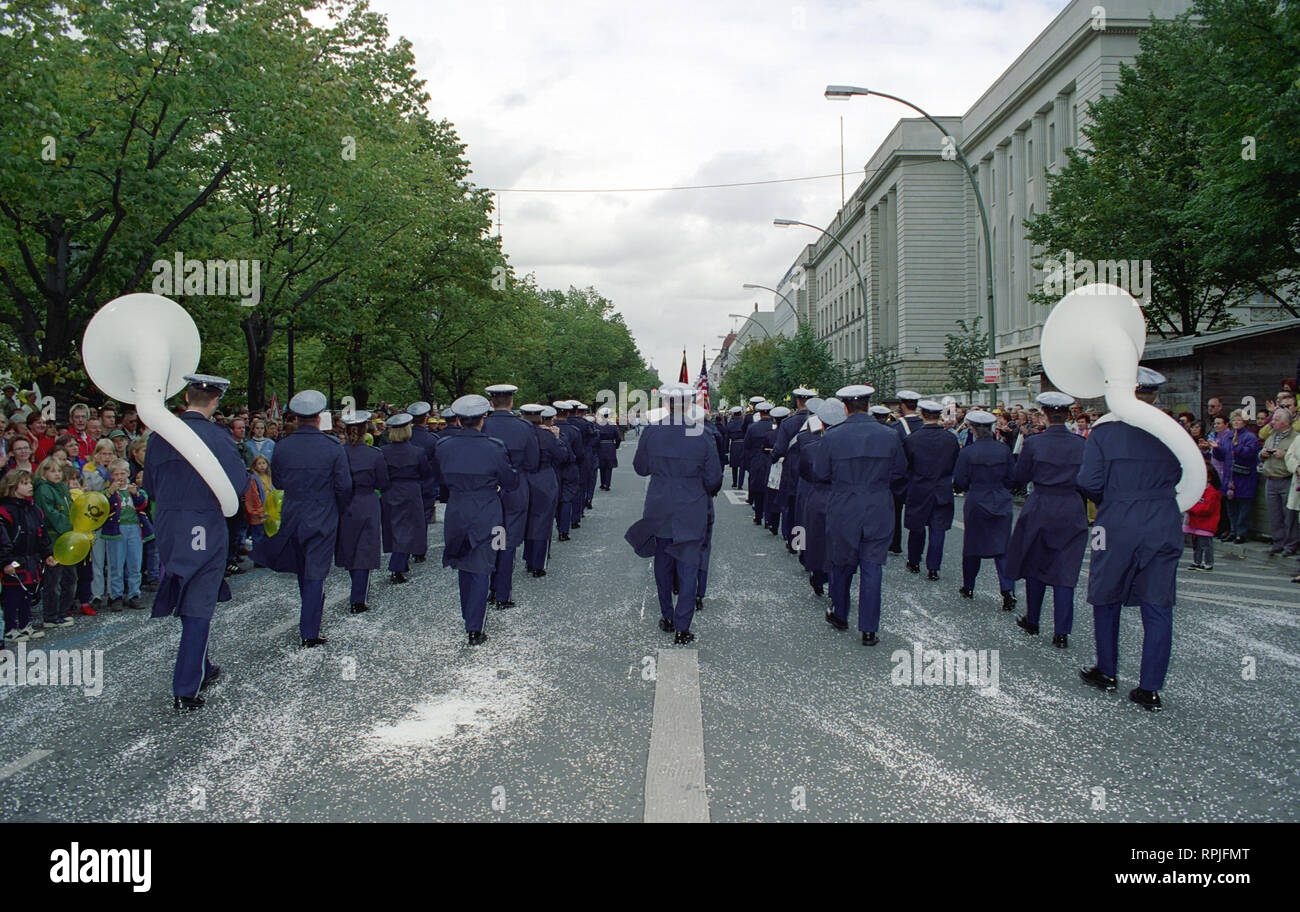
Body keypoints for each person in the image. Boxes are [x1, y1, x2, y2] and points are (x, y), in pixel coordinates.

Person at [1076, 367, 1183, 711]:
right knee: (1158, 603)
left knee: (1104, 592)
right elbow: (1188, 472)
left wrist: (1116, 501)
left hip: (1114, 522)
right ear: (1155, 396)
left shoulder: (1104, 431)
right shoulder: (1173, 430)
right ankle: (1150, 688)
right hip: (1164, 520)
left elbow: (1088, 481)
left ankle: (1107, 670)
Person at [144, 375, 249, 711]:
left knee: (190, 593)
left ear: (186, 397)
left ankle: (202, 665)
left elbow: (150, 485)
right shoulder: (216, 436)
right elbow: (238, 483)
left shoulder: (160, 436)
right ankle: (186, 685)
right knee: (199, 604)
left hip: (168, 523)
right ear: (214, 401)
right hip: (202, 522)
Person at [252, 390, 351, 648]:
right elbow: (344, 486)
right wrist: (338, 508)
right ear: (319, 417)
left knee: (304, 569)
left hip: (294, 512)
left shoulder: (283, 446)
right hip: (323, 513)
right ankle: (309, 628)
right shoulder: (332, 447)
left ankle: (311, 609)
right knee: (316, 571)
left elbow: (279, 481)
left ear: (296, 418)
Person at [625, 384, 722, 644]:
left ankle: (667, 615)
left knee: (663, 562)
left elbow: (640, 468)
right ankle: (682, 625)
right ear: (689, 404)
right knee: (689, 565)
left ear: (667, 403)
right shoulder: (702, 433)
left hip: (660, 504)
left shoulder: (652, 432)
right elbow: (714, 478)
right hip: (691, 505)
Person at [810, 385, 905, 646]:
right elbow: (900, 472)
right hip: (878, 504)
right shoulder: (889, 434)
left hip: (845, 504)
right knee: (873, 567)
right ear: (867, 405)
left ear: (845, 407)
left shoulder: (832, 436)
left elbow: (821, 473)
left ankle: (840, 614)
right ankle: (869, 628)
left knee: (842, 564)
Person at [1004, 392, 1088, 647]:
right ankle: (1061, 632)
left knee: (1034, 563)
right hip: (1072, 505)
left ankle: (1033, 619)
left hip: (1041, 503)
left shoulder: (1034, 442)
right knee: (1065, 570)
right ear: (1068, 415)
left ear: (1045, 414)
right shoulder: (1081, 443)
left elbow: (1021, 475)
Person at [435, 394, 518, 646]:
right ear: (482, 420)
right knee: (484, 564)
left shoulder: (443, 446)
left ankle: (468, 616)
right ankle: (475, 625)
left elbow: (439, 480)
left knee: (463, 563)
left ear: (458, 420)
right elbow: (511, 482)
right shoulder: (495, 447)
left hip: (457, 510)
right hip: (488, 510)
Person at [482, 384, 540, 610]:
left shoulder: (483, 425)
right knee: (508, 541)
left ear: (491, 402)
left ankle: (491, 587)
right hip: (515, 486)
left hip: (489, 487)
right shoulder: (524, 427)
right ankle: (502, 592)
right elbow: (533, 463)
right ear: (512, 402)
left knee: (494, 538)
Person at [954, 410, 1017, 610]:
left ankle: (969, 586)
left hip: (977, 499)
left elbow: (961, 482)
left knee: (972, 546)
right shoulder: (1003, 450)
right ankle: (1008, 591)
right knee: (1003, 548)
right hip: (1000, 498)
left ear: (973, 428)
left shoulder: (967, 452)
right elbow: (1011, 478)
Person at [336, 411, 389, 613]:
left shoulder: (339, 452)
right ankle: (358, 597)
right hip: (366, 501)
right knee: (364, 550)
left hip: (344, 503)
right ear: (365, 429)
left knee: (350, 547)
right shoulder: (374, 454)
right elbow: (383, 482)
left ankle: (357, 589)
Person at [902, 399, 961, 581]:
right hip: (942, 487)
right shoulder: (951, 439)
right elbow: (954, 463)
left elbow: (906, 466)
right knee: (938, 530)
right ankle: (934, 567)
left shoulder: (912, 439)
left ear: (922, 415)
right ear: (939, 416)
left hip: (919, 487)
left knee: (917, 527)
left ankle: (914, 560)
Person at [0, 469, 57, 644]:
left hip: (31, 557)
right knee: (12, 593)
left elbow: (42, 533)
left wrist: (47, 553)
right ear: (12, 486)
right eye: (24, 483)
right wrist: (5, 561)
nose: (30, 486)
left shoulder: (33, 508)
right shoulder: (5, 510)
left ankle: (25, 624)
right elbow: (3, 539)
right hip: (14, 558)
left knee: (29, 592)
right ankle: (10, 628)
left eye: (30, 483)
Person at [796, 398, 844, 597]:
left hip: (818, 495)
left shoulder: (809, 447)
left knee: (815, 539)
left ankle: (817, 576)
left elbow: (805, 473)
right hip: (841, 497)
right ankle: (835, 583)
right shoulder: (848, 447)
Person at [379, 411, 432, 584]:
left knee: (395, 527)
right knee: (408, 528)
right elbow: (425, 473)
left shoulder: (383, 451)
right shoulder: (417, 451)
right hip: (411, 489)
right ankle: (398, 565)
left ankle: (401, 560)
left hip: (391, 489)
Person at [520, 404, 567, 577]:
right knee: (543, 522)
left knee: (527, 520)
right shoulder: (547, 435)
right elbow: (563, 456)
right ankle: (538, 563)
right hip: (545, 478)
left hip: (524, 478)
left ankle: (528, 558)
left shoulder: (521, 434)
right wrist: (557, 438)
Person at [32, 457, 75, 628]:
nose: (57, 474)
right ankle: (51, 614)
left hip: (67, 538)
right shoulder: (43, 490)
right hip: (54, 538)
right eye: (52, 471)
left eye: (58, 470)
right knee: (54, 579)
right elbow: (50, 515)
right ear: (43, 473)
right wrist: (69, 525)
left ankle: (64, 611)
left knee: (69, 577)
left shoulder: (62, 487)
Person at [690, 403, 724, 612]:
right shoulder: (711, 435)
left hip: (679, 497)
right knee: (702, 546)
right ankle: (698, 592)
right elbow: (715, 473)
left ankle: (680, 583)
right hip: (702, 497)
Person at [771, 388, 815, 549]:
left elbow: (780, 448)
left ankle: (794, 541)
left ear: (797, 401)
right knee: (805, 507)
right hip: (811, 468)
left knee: (791, 505)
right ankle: (803, 543)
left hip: (792, 468)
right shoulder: (817, 422)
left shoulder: (788, 423)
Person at [1213, 409, 1261, 543]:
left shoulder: (1250, 437)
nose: (1236, 422)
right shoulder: (1227, 437)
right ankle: (1233, 531)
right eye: (1234, 420)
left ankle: (1241, 533)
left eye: (1239, 420)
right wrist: (1216, 448)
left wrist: (1237, 447)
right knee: (1231, 506)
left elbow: (1249, 454)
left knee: (1244, 506)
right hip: (1230, 477)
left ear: (1245, 422)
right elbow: (1222, 456)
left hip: (1244, 476)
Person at [1258, 409, 1298, 555]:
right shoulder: (1271, 435)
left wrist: (1285, 454)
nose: (1272, 422)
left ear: (1286, 422)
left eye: (1276, 419)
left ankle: (1291, 544)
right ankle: (1277, 542)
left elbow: (1295, 457)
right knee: (1274, 514)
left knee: (1289, 514)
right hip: (1270, 478)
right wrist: (1262, 454)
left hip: (1286, 479)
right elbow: (1261, 453)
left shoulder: (1295, 437)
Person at [551, 402, 583, 542]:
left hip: (553, 467)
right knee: (566, 499)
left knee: (555, 498)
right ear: (568, 413)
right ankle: (563, 530)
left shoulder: (549, 430)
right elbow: (580, 453)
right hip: (570, 467)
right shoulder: (574, 431)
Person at [407, 402, 440, 533]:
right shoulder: (432, 439)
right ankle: (419, 551)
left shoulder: (406, 437)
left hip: (407, 485)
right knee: (423, 522)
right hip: (427, 485)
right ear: (426, 418)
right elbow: (437, 465)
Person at [742, 401, 775, 525]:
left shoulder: (752, 427)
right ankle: (768, 518)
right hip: (771, 459)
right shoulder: (774, 426)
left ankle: (758, 515)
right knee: (770, 488)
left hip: (756, 458)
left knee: (757, 488)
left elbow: (747, 445)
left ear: (760, 413)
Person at [1184, 466, 1222, 572]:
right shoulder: (1198, 490)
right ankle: (1197, 561)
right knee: (1196, 544)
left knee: (1206, 545)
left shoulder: (1211, 492)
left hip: (1206, 524)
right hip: (1196, 522)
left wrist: (1191, 507)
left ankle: (1208, 563)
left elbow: (1206, 509)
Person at [763, 406, 790, 535]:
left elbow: (766, 450)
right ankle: (786, 531)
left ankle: (773, 523)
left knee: (773, 494)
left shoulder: (770, 434)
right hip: (789, 465)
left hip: (775, 464)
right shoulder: (792, 432)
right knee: (786, 498)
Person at [595, 407, 623, 490]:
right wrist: (616, 446)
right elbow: (618, 438)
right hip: (610, 445)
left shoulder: (597, 426)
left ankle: (603, 483)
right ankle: (607, 484)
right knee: (609, 466)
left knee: (602, 466)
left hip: (600, 446)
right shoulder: (613, 426)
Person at [724, 406, 746, 489]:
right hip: (743, 444)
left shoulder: (731, 424)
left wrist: (726, 449)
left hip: (734, 444)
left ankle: (734, 482)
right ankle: (740, 484)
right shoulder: (744, 422)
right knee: (742, 466)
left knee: (734, 465)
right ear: (740, 413)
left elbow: (727, 437)